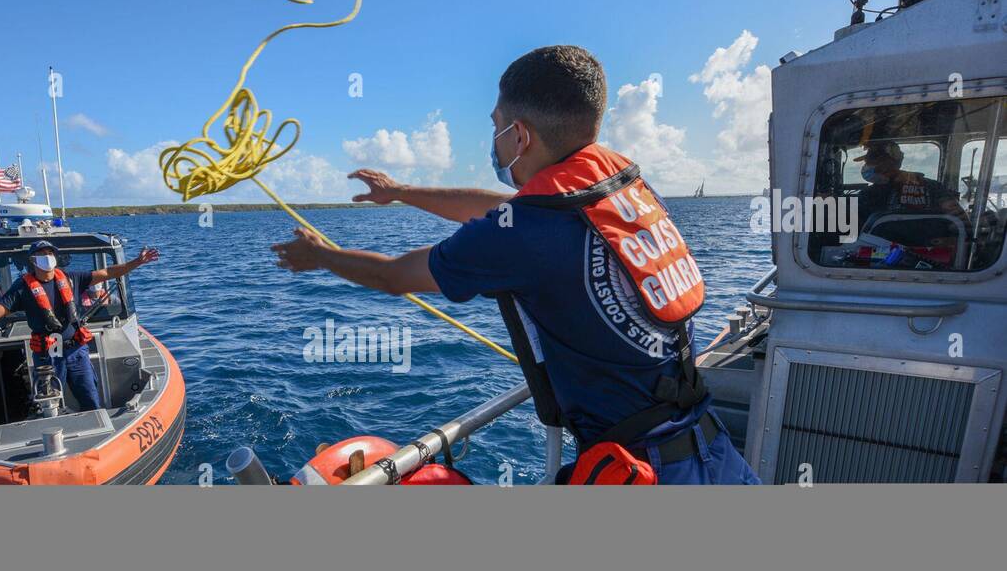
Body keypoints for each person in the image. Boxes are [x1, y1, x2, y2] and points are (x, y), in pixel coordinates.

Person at [272, 45, 758, 484]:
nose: (494, 140)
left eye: (494, 125)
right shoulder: (614, 188)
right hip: (710, 448)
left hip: (646, 472)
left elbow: (394, 276)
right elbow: (506, 211)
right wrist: (401, 192)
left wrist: (319, 256)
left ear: (519, 135)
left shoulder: (529, 233)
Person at [0, 241, 160, 413]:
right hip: (48, 356)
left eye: (50, 253)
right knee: (51, 402)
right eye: (41, 255)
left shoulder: (72, 278)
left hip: (77, 351)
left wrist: (136, 262)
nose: (47, 258)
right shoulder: (22, 289)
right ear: (33, 260)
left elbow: (108, 273)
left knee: (91, 397)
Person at [854, 140, 968, 255]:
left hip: (880, 257)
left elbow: (960, 223)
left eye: (875, 160)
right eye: (869, 161)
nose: (868, 166)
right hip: (928, 257)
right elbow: (961, 224)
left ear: (892, 162)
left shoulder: (868, 194)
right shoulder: (934, 186)